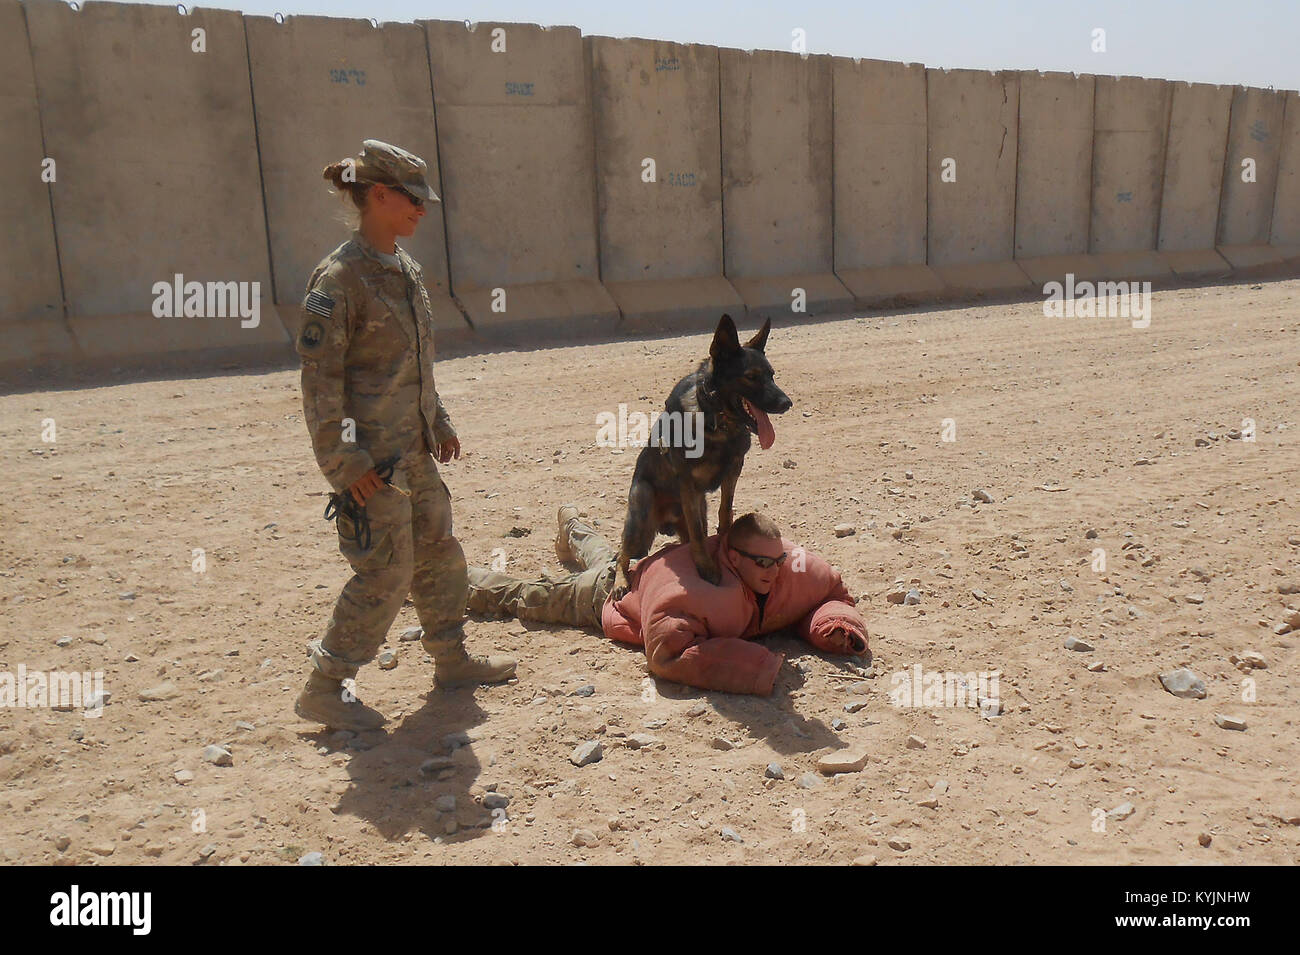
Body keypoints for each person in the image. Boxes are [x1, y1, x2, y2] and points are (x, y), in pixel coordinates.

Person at [294, 139, 515, 732]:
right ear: (379, 196)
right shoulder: (339, 278)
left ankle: (451, 661)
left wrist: (437, 421)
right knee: (385, 572)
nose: (422, 211)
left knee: (440, 557)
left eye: (425, 201)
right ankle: (326, 685)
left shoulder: (405, 268)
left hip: (413, 451)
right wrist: (344, 464)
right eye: (412, 200)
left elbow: (416, 361)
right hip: (372, 466)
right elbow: (321, 384)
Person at [467, 507, 868, 695]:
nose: (774, 570)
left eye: (778, 560)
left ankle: (572, 524)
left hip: (639, 567)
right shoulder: (696, 594)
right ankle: (460, 581)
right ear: (732, 557)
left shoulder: (794, 570)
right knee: (526, 595)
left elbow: (832, 594)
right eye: (763, 562)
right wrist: (756, 667)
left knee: (607, 553)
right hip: (609, 592)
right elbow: (664, 655)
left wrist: (835, 626)